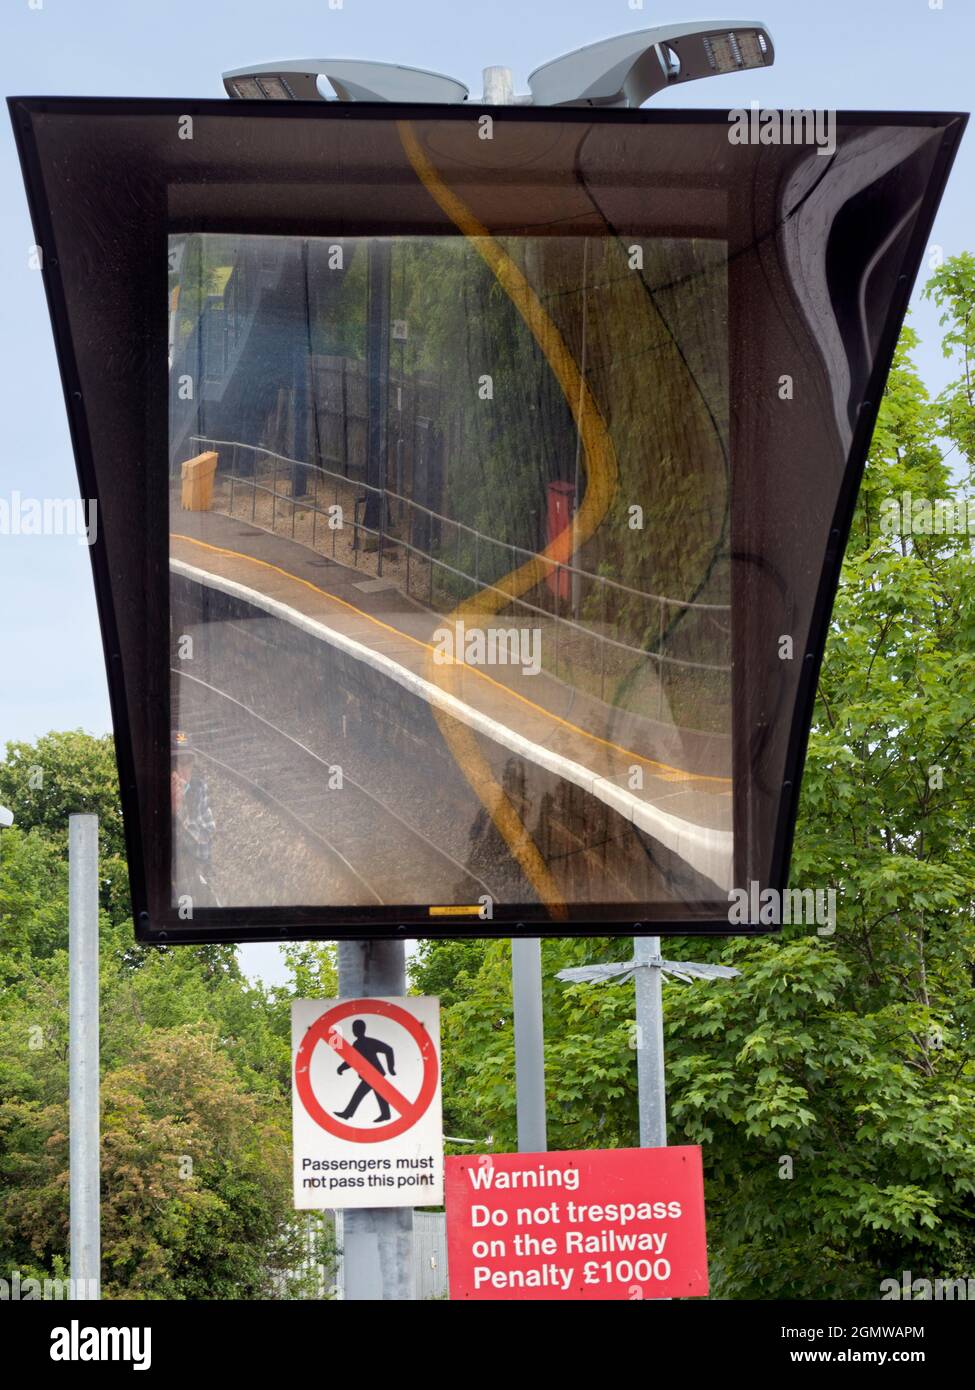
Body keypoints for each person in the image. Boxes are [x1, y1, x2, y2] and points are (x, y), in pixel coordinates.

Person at [334, 1019, 396, 1123]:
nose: (353, 1031)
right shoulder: (359, 1043)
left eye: (355, 1029)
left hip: (373, 1075)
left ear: (359, 1030)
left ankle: (347, 1113)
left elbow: (388, 1049)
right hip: (372, 1075)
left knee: (358, 1094)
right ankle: (386, 1115)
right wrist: (341, 1068)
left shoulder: (364, 1043)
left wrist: (391, 1068)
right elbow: (352, 1060)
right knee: (380, 1095)